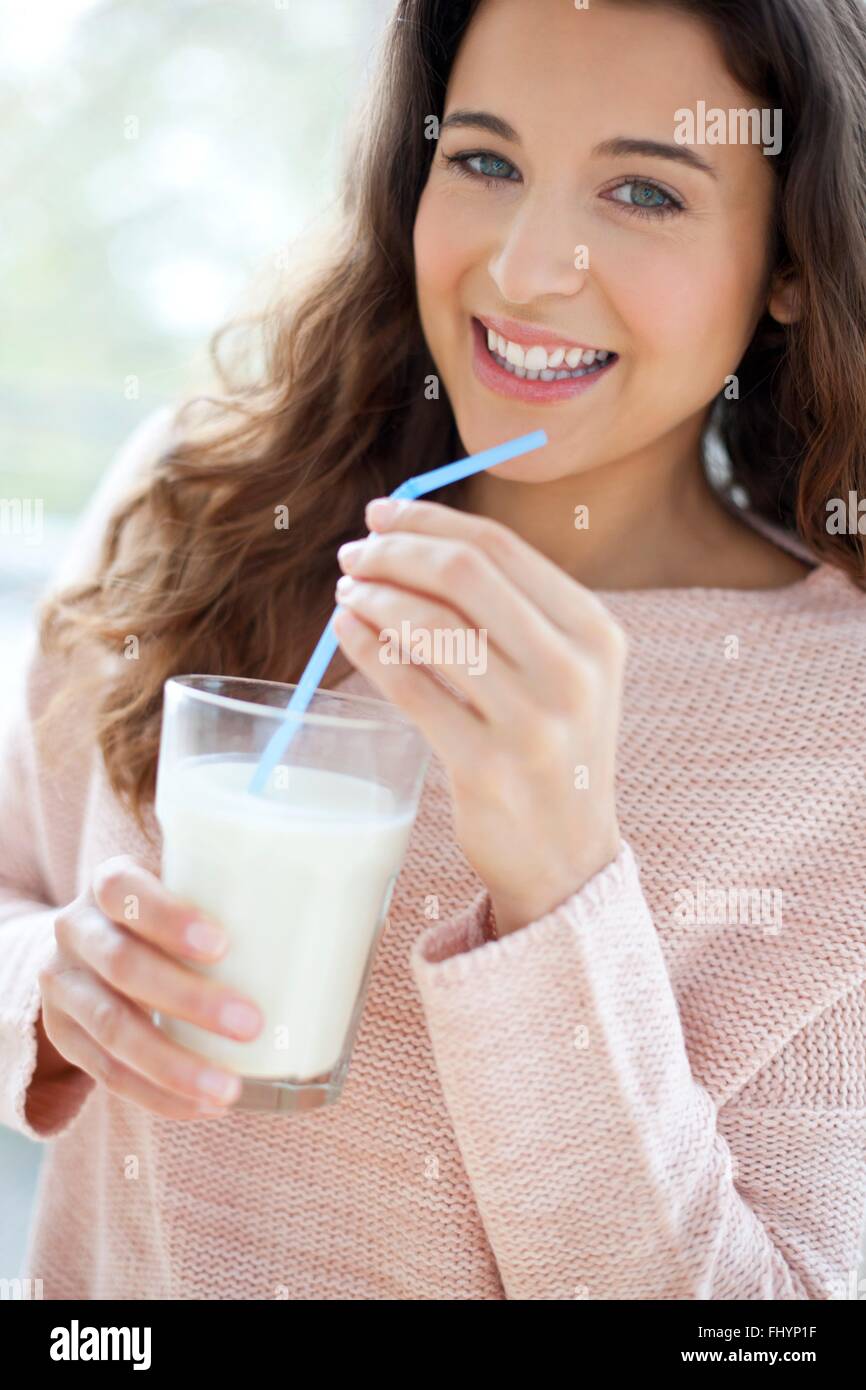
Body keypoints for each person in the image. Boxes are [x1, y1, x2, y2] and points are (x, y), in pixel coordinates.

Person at [1, 0, 865, 1300]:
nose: (523, 270)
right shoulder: (201, 503)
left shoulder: (837, 720)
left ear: (789, 261)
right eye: (485, 160)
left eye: (642, 188)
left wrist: (562, 876)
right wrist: (51, 985)